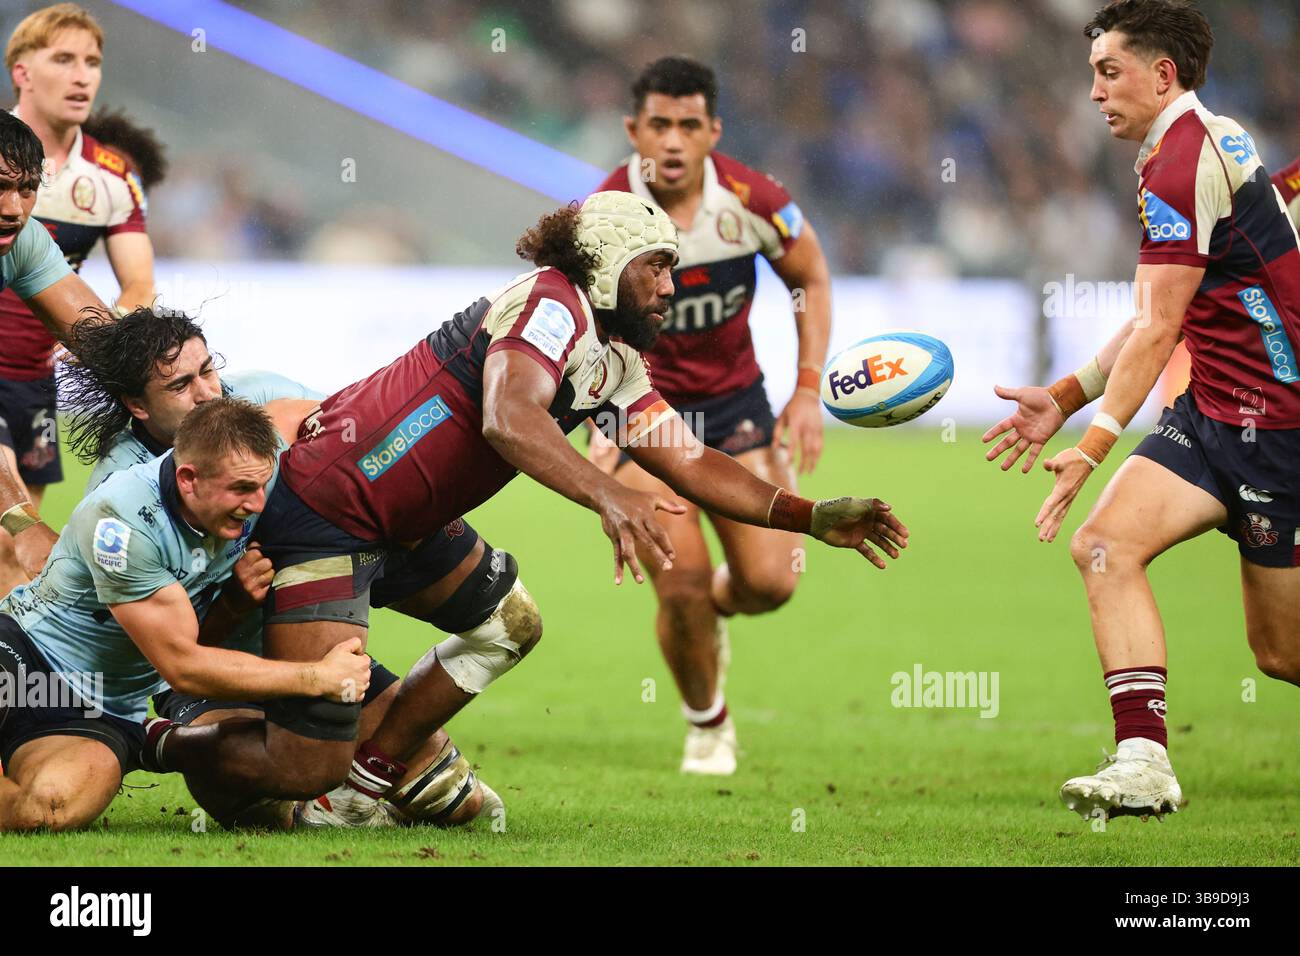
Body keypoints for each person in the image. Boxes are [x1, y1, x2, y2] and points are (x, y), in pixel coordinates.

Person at [148, 191, 907, 829]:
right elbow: (509, 418)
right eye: (658, 267)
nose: (672, 287)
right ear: (609, 261)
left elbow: (691, 460)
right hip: (329, 509)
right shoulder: (552, 302)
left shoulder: (614, 359)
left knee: (510, 624)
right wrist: (610, 493)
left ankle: (363, 787)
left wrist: (808, 517)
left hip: (402, 526)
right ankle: (153, 738)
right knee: (301, 762)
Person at [983, 0, 1300, 821]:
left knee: (1281, 653)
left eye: (1109, 71)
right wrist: (1063, 398)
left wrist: (1088, 449)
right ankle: (1143, 761)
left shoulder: (1180, 161)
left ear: (1163, 77)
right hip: (1211, 415)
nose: (1094, 91)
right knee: (1103, 546)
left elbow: (1159, 327)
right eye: (1093, 72)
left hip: (1277, 431)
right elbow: (1157, 310)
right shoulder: (1199, 140)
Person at [55, 307, 501, 829]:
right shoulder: (123, 494)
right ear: (137, 404)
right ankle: (164, 744)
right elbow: (162, 653)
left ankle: (333, 768)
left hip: (301, 632)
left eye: (207, 370)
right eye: (180, 385)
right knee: (275, 809)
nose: (206, 393)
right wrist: (237, 600)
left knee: (451, 802)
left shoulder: (262, 394)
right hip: (214, 666)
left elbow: (352, 468)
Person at [589, 56, 833, 774]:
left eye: (687, 125)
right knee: (683, 585)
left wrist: (808, 389)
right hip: (643, 413)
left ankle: (713, 617)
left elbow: (809, 276)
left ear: (712, 131)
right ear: (634, 130)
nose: (671, 141)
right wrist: (599, 420)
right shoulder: (606, 213)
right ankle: (708, 723)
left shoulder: (754, 199)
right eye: (657, 125)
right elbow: (582, 320)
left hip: (735, 408)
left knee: (771, 580)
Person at [0, 398, 371, 831]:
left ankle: (147, 742)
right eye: (241, 490)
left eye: (261, 485)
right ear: (189, 479)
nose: (257, 504)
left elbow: (328, 409)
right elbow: (184, 667)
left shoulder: (254, 462)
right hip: (26, 654)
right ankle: (162, 743)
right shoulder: (121, 522)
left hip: (103, 709)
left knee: (49, 809)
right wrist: (317, 677)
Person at [0, 5, 155, 592]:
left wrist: (105, 334)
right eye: (63, 59)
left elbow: (138, 284)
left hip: (35, 382)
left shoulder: (112, 178)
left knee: (19, 557)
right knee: (13, 532)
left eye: (92, 62)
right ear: (22, 71)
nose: (82, 75)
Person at [0, 108, 108, 588]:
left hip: (27, 387)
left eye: (27, 189)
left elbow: (105, 339)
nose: (14, 208)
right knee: (11, 537)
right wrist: (21, 523)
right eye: (0, 185)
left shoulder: (24, 239)